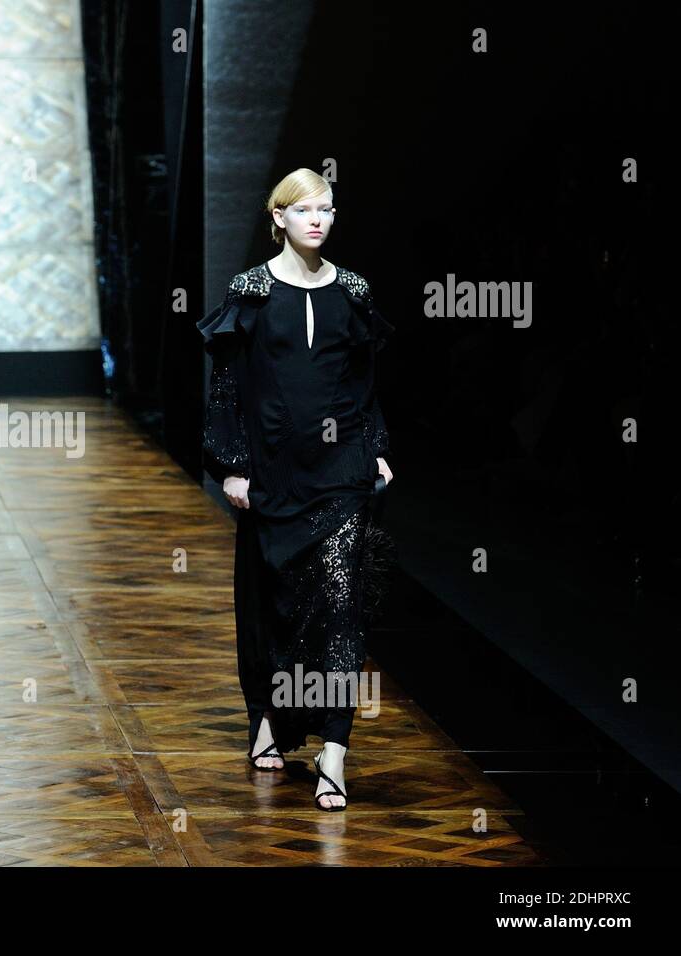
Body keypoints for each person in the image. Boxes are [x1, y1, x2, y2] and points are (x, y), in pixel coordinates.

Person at [199, 168, 397, 810]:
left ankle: (335, 748)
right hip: (273, 470)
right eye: (305, 209)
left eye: (327, 209)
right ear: (278, 217)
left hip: (341, 471)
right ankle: (267, 718)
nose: (318, 219)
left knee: (340, 606)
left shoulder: (354, 291)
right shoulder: (251, 292)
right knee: (273, 603)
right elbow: (228, 387)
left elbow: (365, 383)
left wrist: (376, 449)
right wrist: (231, 465)